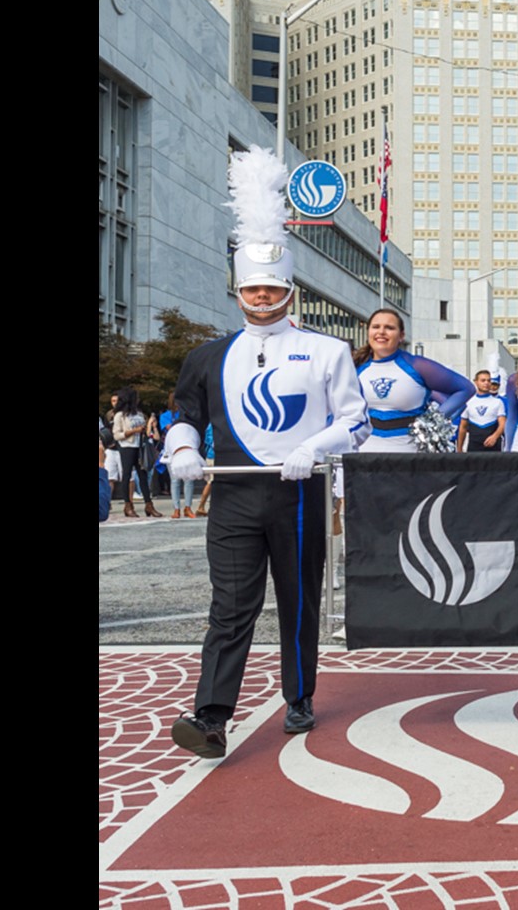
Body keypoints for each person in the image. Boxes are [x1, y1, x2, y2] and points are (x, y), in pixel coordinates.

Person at [159, 145, 370, 760]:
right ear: (237, 290)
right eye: (251, 287)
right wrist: (180, 450)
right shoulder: (207, 355)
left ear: (288, 290)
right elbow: (185, 415)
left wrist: (312, 448)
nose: (260, 296)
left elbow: (355, 422)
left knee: (298, 603)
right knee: (230, 606)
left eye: (271, 287)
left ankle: (299, 694)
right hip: (232, 493)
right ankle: (211, 715)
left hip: (297, 492)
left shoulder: (327, 350)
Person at [353, 308, 474, 452]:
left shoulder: (418, 366)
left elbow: (466, 388)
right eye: (376, 327)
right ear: (368, 332)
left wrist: (433, 421)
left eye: (389, 328)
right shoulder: (355, 367)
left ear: (401, 335)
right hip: (363, 453)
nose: (381, 332)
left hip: (409, 454)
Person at [111, 387, 162, 519]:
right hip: (126, 446)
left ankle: (149, 504)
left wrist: (149, 426)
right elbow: (117, 435)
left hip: (139, 446)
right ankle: (128, 505)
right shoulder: (120, 415)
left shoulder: (138, 414)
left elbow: (144, 431)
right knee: (126, 476)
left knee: (143, 476)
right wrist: (133, 431)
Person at [159, 391, 197, 519]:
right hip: (172, 450)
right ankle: (176, 508)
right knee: (175, 480)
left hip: (187, 447)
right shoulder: (165, 416)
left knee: (189, 479)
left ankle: (188, 507)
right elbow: (170, 428)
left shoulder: (188, 415)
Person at [456, 369, 506, 452]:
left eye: (488, 380)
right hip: (474, 447)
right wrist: (459, 448)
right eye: (483, 380)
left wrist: (495, 436)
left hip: (493, 447)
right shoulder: (468, 402)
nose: (486, 383)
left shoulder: (498, 402)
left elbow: (503, 424)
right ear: (476, 382)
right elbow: (463, 427)